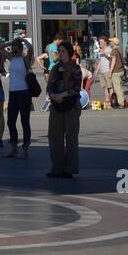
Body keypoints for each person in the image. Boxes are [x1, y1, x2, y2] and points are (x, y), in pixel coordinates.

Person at [46, 39, 83, 177]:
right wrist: (53, 95)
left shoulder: (75, 68)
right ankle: (57, 167)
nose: (59, 54)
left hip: (71, 105)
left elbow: (77, 88)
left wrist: (63, 94)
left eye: (62, 51)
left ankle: (69, 169)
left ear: (68, 53)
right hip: (56, 104)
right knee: (54, 136)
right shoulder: (55, 68)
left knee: (71, 137)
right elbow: (49, 86)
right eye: (58, 51)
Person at [4, 38, 33, 159]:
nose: (14, 50)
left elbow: (30, 48)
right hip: (13, 93)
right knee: (11, 121)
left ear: (21, 49)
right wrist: (11, 43)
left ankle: (25, 148)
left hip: (24, 93)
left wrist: (22, 40)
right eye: (13, 48)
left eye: (16, 47)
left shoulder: (25, 59)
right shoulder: (12, 58)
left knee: (24, 121)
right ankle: (14, 147)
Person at [108, 37, 126, 108]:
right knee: (120, 87)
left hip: (116, 71)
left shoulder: (114, 51)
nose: (110, 43)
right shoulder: (119, 50)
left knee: (117, 88)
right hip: (121, 70)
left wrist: (110, 71)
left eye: (111, 42)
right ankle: (120, 101)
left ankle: (121, 103)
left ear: (114, 43)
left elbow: (113, 61)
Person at [94, 37, 112, 104]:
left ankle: (112, 99)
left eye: (101, 42)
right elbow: (100, 61)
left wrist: (104, 52)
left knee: (109, 86)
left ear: (105, 42)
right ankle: (107, 99)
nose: (100, 43)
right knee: (104, 86)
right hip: (101, 71)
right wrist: (97, 70)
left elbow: (110, 57)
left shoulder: (109, 49)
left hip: (107, 70)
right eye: (99, 42)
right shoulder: (101, 50)